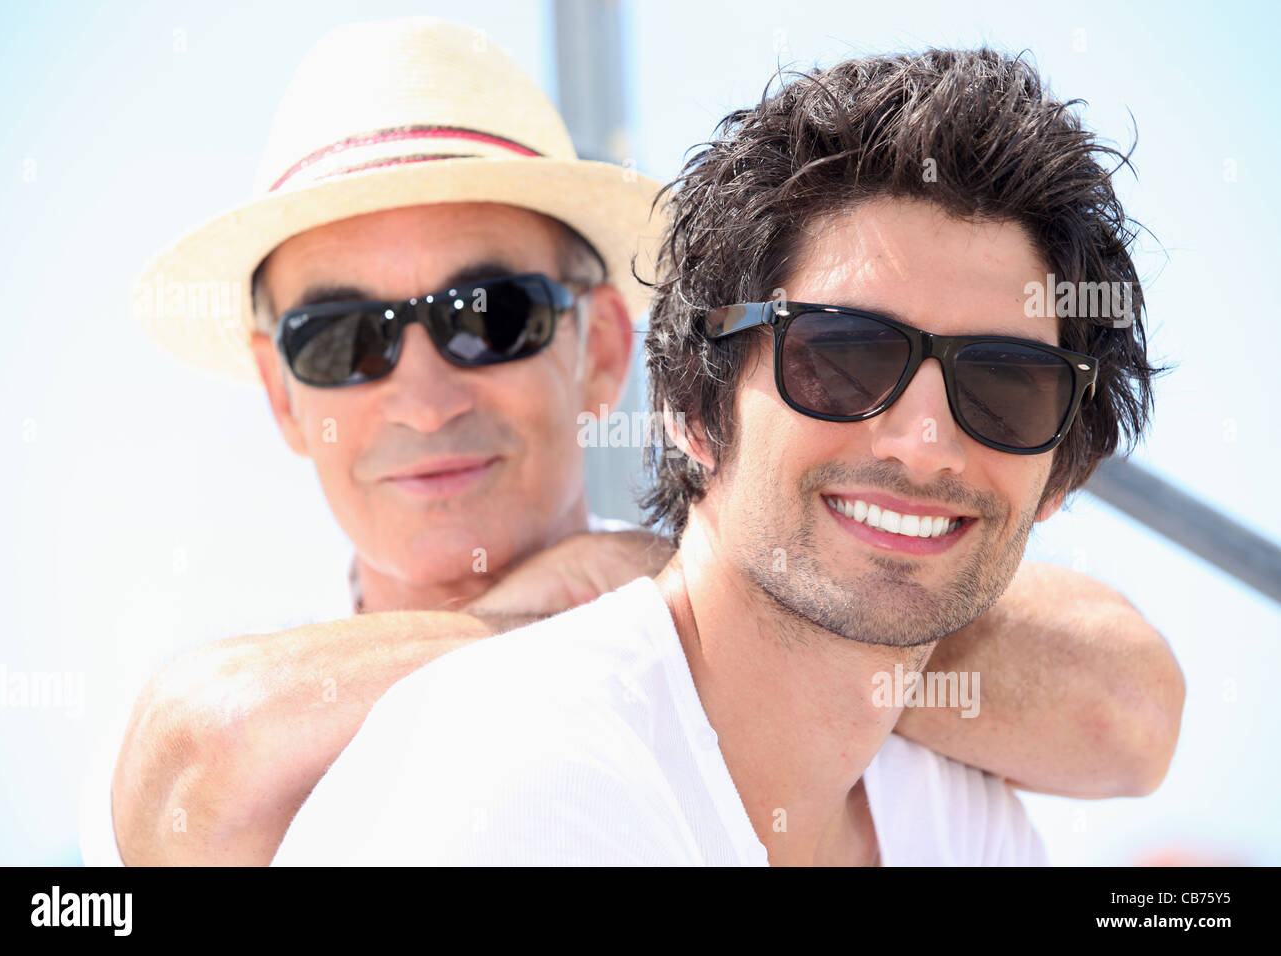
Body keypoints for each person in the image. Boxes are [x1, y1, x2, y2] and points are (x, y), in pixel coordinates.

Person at [86, 22, 1182, 867]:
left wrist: (698, 583)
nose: (422, 396)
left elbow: (1122, 704)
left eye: (489, 316)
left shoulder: (808, 628)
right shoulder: (496, 745)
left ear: (607, 346)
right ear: (282, 394)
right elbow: (207, 749)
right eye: (339, 342)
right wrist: (614, 600)